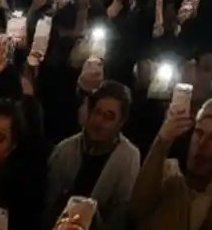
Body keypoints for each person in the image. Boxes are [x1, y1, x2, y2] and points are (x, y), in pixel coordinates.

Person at [129, 96, 212, 230]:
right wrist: (161, 143)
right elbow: (135, 211)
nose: (202, 144)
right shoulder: (166, 174)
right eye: (199, 133)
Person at [44, 81, 140, 230]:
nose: (99, 122)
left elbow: (121, 214)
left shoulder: (129, 158)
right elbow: (48, 205)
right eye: (97, 112)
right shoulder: (65, 150)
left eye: (108, 117)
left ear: (121, 122)